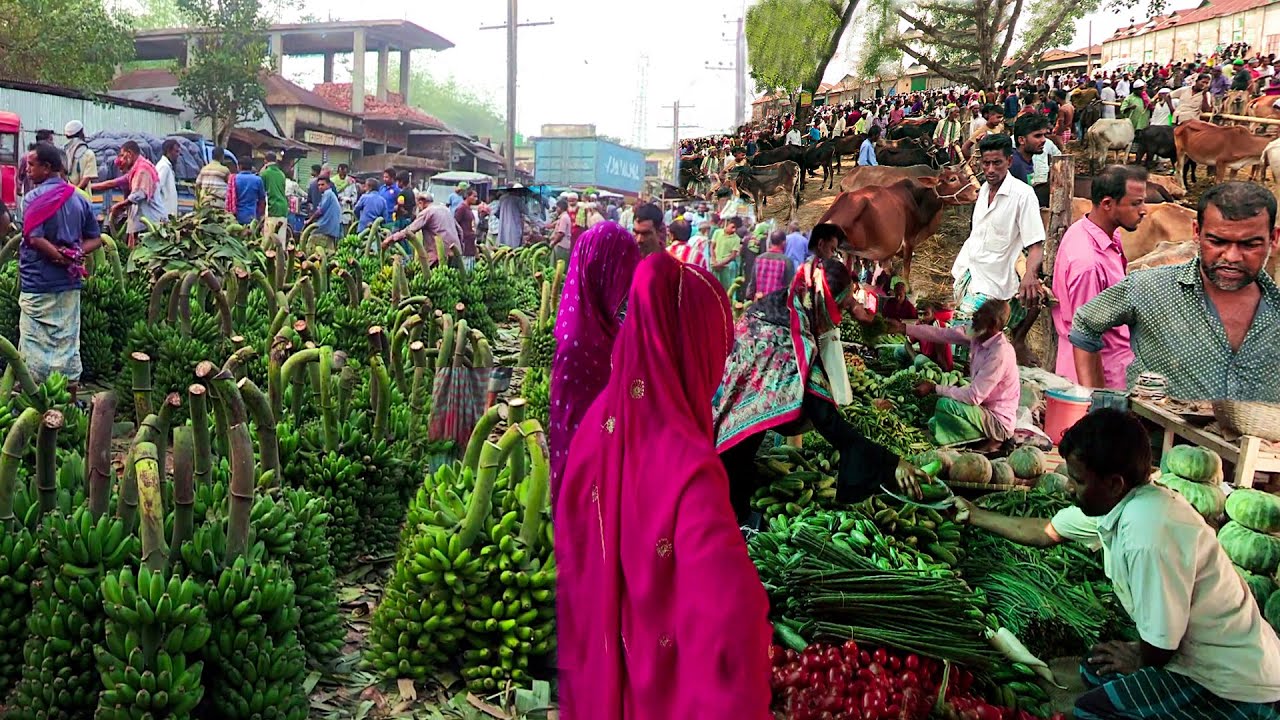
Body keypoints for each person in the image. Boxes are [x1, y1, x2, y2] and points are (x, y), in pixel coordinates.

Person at [556, 252, 771, 720]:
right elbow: (730, 625)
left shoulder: (596, 429)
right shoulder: (689, 475)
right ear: (694, 348)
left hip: (596, 687)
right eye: (716, 347)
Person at [969, 409, 1280, 718]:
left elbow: (1161, 644)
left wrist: (1140, 658)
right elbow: (1045, 531)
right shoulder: (1120, 504)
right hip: (1192, 654)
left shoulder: (1147, 534)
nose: (1069, 488)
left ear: (1114, 484)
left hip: (1228, 679)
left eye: (1078, 480)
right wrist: (973, 514)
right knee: (1093, 670)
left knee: (1089, 711)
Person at [716, 253, 928, 520]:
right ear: (825, 301)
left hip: (728, 417)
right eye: (841, 308)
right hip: (728, 439)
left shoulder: (785, 303)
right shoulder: (793, 340)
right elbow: (827, 420)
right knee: (729, 497)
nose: (839, 319)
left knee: (736, 477)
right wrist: (890, 463)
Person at [1072, 181, 1280, 401]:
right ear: (1197, 232)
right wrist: (1096, 402)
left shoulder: (1275, 307)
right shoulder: (1149, 287)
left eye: (1250, 245)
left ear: (1274, 239)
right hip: (1155, 424)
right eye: (1217, 242)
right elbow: (1086, 323)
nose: (1231, 256)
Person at [548, 221, 642, 493]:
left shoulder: (605, 323)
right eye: (622, 273)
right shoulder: (578, 343)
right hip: (588, 480)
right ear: (601, 271)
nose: (627, 284)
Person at [1052, 165, 1148, 390]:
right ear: (1107, 204)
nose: (1144, 210)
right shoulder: (1089, 264)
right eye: (1136, 203)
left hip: (1114, 363)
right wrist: (1097, 397)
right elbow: (1085, 336)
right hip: (1102, 377)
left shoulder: (1092, 231)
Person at [17, 144, 102, 389]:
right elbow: (95, 239)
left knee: (33, 341)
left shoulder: (33, 198)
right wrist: (74, 255)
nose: (27, 169)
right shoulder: (80, 198)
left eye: (32, 165)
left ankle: (34, 394)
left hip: (38, 281)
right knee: (67, 340)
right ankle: (69, 393)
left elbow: (34, 238)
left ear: (47, 168)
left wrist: (59, 256)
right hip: (68, 283)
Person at [888, 299, 1019, 449]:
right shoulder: (978, 335)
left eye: (980, 313)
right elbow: (941, 334)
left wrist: (934, 388)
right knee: (933, 422)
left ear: (993, 323)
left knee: (945, 405)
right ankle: (972, 437)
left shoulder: (999, 353)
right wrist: (903, 328)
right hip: (981, 408)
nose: (974, 315)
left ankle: (992, 440)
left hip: (996, 420)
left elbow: (973, 397)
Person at [952, 133, 1046, 333]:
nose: (990, 169)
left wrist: (1030, 275)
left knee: (966, 336)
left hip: (995, 284)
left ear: (1009, 161)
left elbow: (1036, 245)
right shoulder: (983, 191)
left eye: (997, 163)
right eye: (986, 163)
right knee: (964, 340)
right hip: (967, 272)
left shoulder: (1023, 195)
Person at [93, 141, 164, 248]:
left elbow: (138, 194)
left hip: (150, 224)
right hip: (140, 225)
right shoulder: (134, 171)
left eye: (122, 155)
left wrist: (119, 206)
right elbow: (112, 183)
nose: (120, 159)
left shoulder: (143, 169)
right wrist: (86, 187)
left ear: (129, 154)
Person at [384, 193, 463, 265]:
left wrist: (390, 239)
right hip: (456, 254)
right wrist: (460, 249)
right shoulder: (446, 210)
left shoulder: (427, 212)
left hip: (439, 256)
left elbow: (409, 231)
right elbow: (460, 231)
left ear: (421, 203)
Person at [751, 229, 795, 298]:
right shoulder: (786, 261)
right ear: (783, 243)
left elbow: (753, 282)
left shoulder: (759, 258)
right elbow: (790, 285)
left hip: (760, 300)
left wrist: (750, 296)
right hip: (777, 302)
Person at [1009, 113, 1049, 187]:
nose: (1044, 140)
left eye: (1044, 135)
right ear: (1021, 140)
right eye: (1038, 136)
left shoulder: (1026, 160)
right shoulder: (1013, 163)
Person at [259, 152, 289, 247]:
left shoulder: (265, 173)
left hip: (272, 207)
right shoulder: (282, 174)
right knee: (281, 241)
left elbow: (261, 192)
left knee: (269, 241)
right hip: (283, 208)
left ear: (265, 160)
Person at [227, 156, 265, 227]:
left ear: (240, 166)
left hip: (235, 217)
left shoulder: (234, 179)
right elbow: (262, 200)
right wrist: (258, 215)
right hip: (252, 217)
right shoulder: (258, 180)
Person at [307, 176, 343, 249]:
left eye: (322, 184)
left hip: (327, 226)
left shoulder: (328, 194)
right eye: (319, 185)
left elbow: (320, 211)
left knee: (311, 238)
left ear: (328, 185)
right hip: (331, 227)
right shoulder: (329, 194)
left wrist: (309, 220)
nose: (320, 187)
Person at [62, 121, 98, 190]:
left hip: (64, 194)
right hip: (83, 195)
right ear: (81, 133)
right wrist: (74, 193)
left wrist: (68, 193)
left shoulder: (61, 153)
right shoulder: (88, 154)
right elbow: (85, 182)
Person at [710, 216, 741, 291]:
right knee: (711, 287)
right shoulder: (717, 232)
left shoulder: (736, 239)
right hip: (713, 264)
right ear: (728, 224)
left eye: (736, 228)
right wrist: (714, 261)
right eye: (732, 227)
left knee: (724, 288)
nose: (734, 229)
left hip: (725, 267)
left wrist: (720, 264)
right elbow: (712, 247)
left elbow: (732, 256)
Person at [154, 139, 180, 219]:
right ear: (168, 151)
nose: (178, 155)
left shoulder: (167, 166)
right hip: (164, 214)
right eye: (176, 151)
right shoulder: (163, 167)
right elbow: (156, 189)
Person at [455, 188, 479, 271]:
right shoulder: (461, 208)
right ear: (467, 196)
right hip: (465, 243)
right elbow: (455, 223)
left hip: (471, 243)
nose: (476, 199)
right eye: (474, 196)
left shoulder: (469, 209)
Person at [550, 199, 574, 266]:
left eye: (557, 208)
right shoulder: (564, 217)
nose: (556, 209)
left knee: (558, 267)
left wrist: (553, 242)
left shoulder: (564, 218)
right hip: (561, 245)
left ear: (560, 208)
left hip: (561, 246)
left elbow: (561, 233)